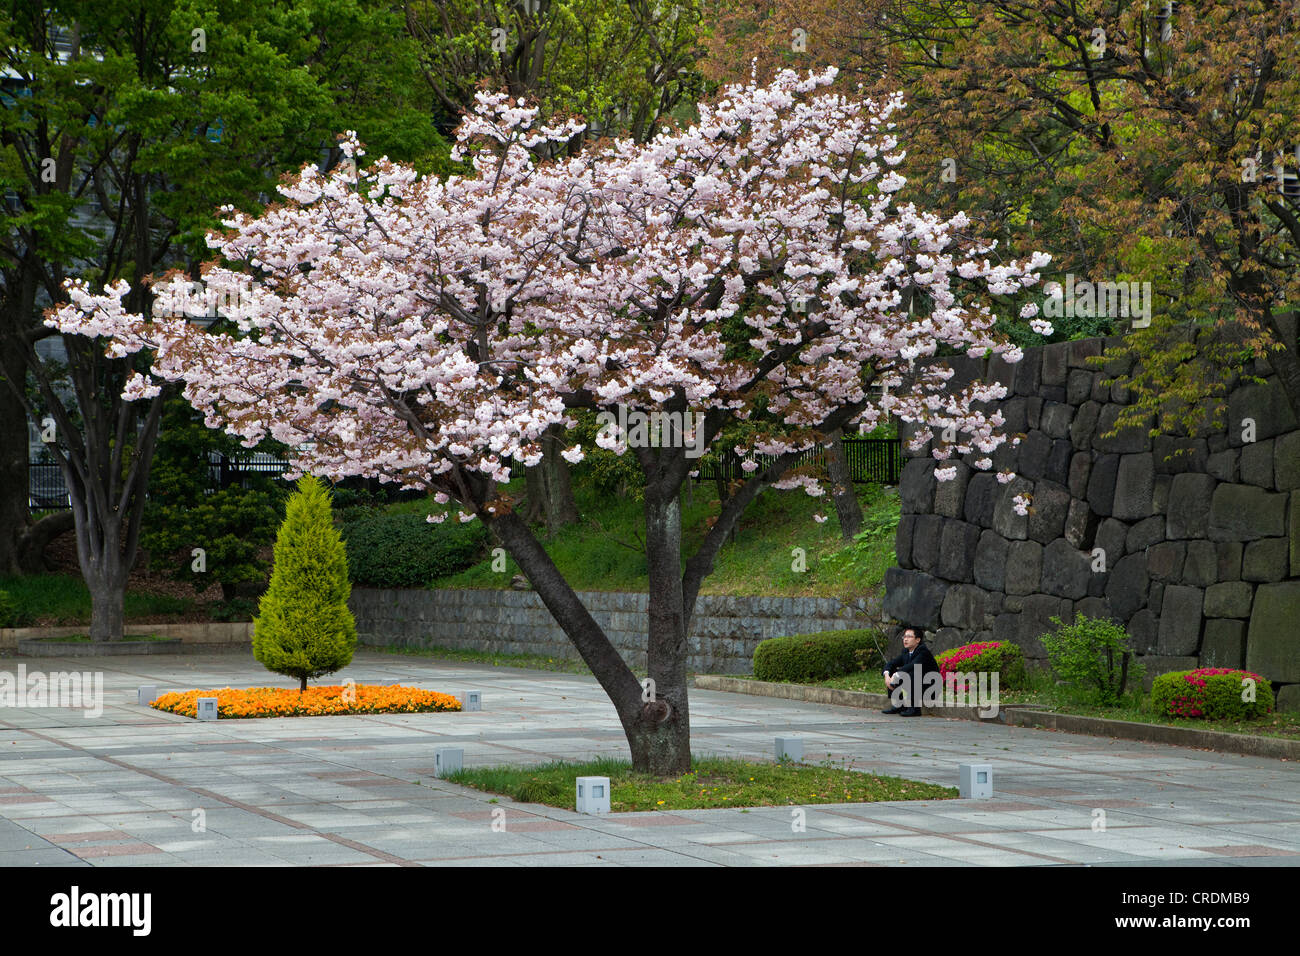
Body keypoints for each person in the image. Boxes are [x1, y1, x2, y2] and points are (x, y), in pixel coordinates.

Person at [881, 625, 940, 716]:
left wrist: (896, 675)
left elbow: (913, 665)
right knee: (893, 671)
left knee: (912, 673)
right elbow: (891, 663)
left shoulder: (923, 652)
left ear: (918, 640)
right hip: (916, 684)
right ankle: (899, 705)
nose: (905, 639)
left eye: (909, 637)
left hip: (930, 688)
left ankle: (915, 709)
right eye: (904, 636)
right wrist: (887, 676)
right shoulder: (905, 652)